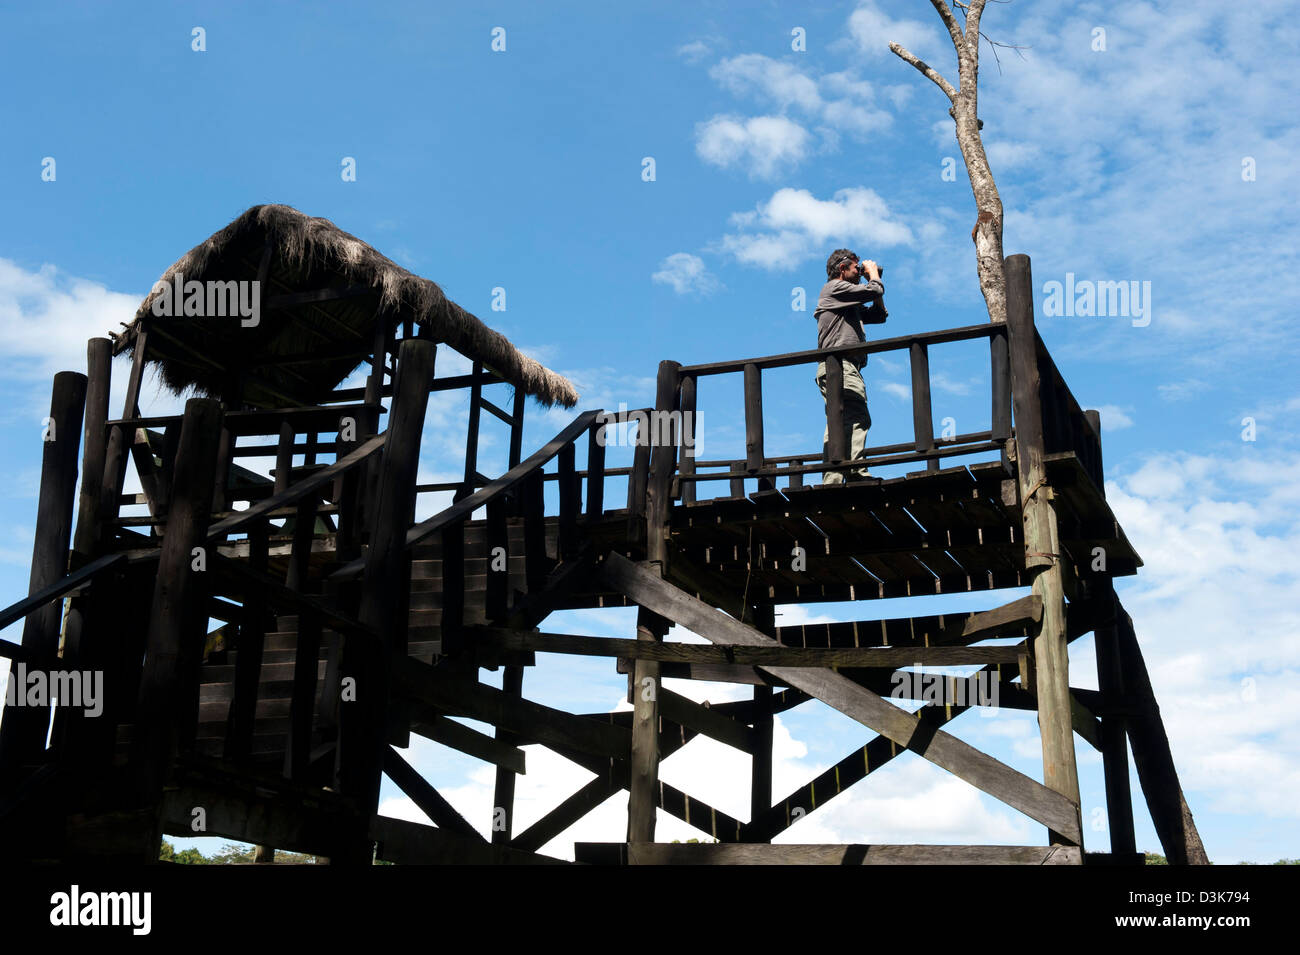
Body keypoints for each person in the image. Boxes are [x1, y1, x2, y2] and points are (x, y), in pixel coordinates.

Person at [814, 248, 887, 484]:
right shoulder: (835, 288)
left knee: (840, 418)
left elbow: (879, 314)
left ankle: (836, 477)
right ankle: (853, 472)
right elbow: (874, 289)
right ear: (842, 268)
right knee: (855, 417)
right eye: (856, 268)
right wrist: (874, 276)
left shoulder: (846, 299)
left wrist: (872, 281)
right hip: (839, 365)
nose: (860, 271)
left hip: (844, 366)